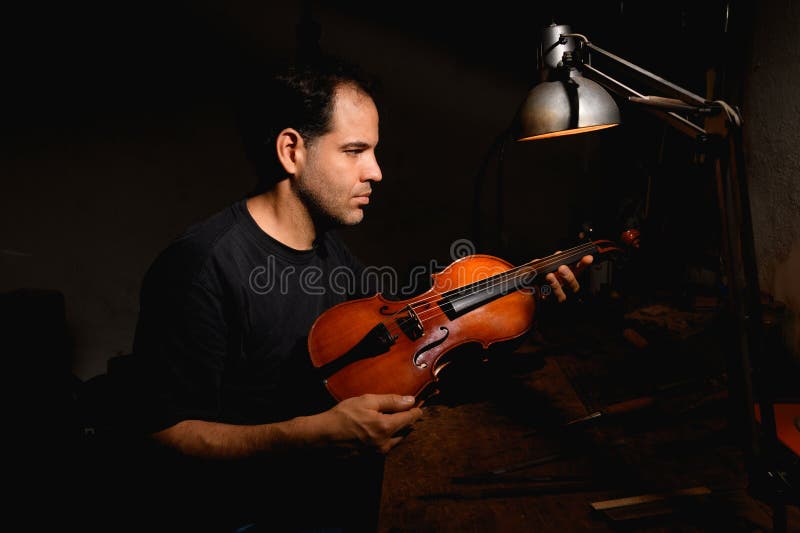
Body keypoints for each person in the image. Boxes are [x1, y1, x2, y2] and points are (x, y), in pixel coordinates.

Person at [104, 55, 592, 532]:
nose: (376, 172)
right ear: (291, 151)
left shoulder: (329, 251)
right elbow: (161, 436)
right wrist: (310, 436)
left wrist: (522, 300)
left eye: (373, 152)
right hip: (241, 516)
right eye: (355, 151)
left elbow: (408, 353)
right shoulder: (202, 264)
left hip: (323, 496)